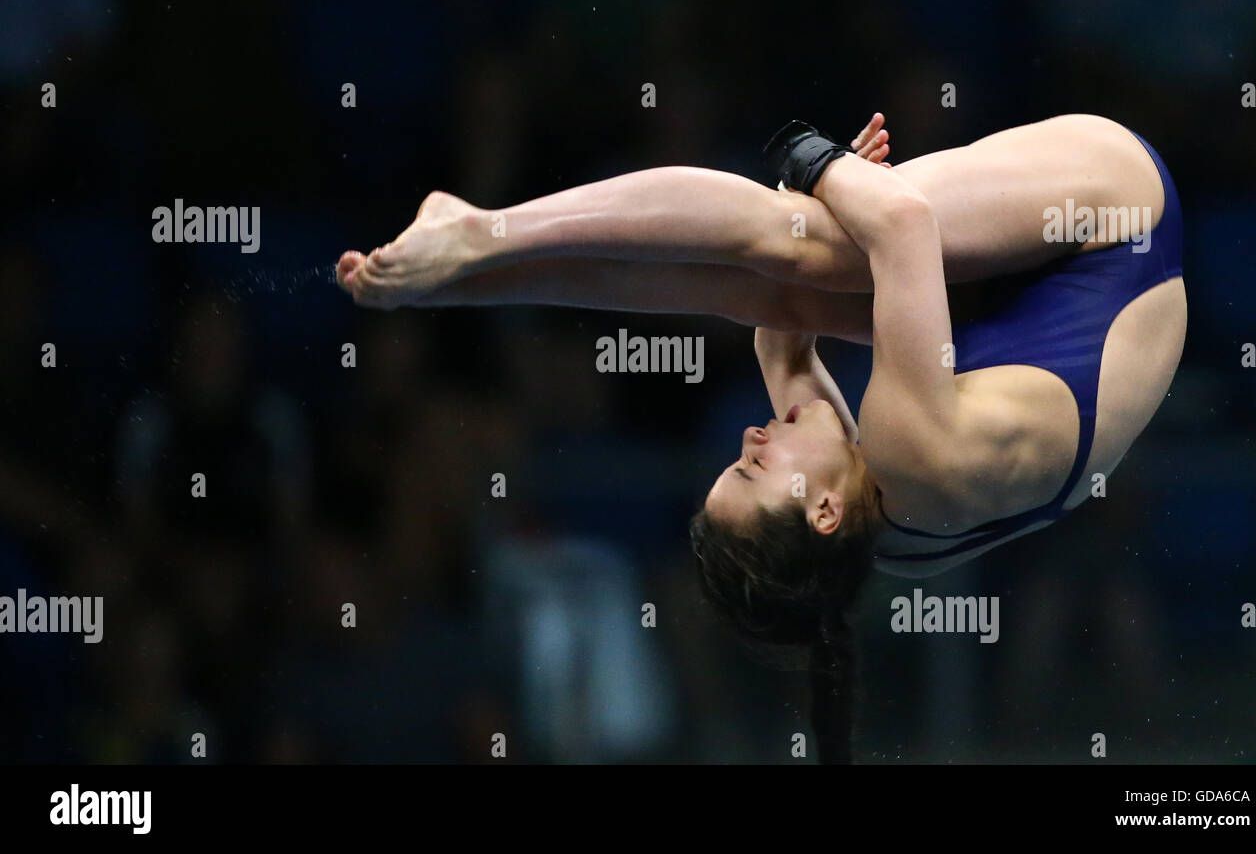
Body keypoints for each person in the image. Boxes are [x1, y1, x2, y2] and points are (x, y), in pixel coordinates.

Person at [337, 113, 1186, 763]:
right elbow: (903, 226)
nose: (750, 434)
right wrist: (814, 162)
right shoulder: (914, 459)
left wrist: (822, 205)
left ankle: (463, 281)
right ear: (819, 511)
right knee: (805, 246)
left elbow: (772, 327)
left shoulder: (870, 525)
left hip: (1030, 308)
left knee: (783, 279)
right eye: (753, 468)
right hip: (1115, 221)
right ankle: (482, 232)